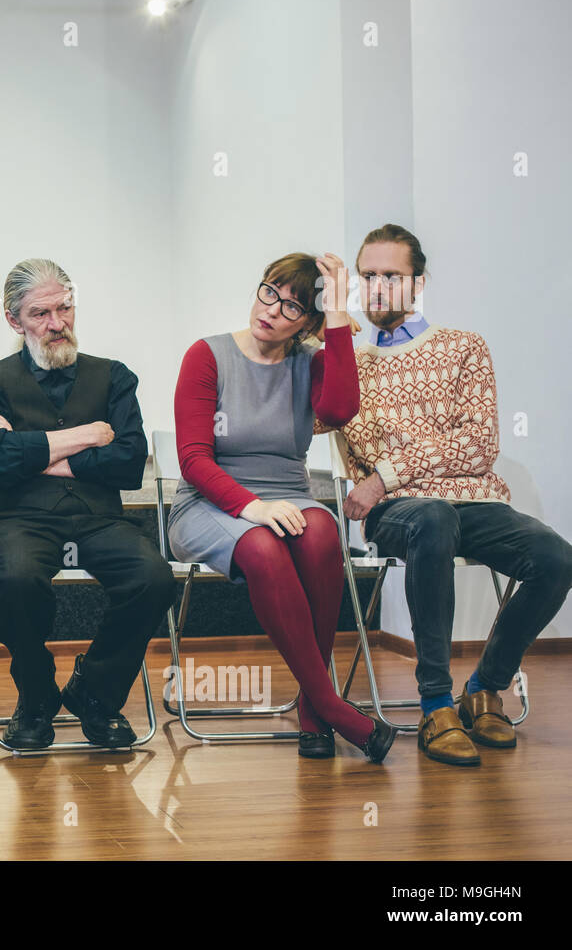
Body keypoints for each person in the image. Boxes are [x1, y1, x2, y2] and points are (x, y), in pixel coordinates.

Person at [327, 223, 572, 766]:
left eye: (391, 276)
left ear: (418, 283)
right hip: (398, 515)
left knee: (555, 557)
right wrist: (332, 330)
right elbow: (312, 419)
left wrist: (381, 475)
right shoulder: (349, 364)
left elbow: (479, 444)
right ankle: (436, 703)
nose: (378, 288)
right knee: (433, 517)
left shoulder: (464, 347)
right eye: (368, 277)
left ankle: (484, 687)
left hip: (473, 500)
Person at [169, 251, 395, 762]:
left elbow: (339, 410)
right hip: (210, 501)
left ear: (308, 324)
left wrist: (337, 313)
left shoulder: (309, 363)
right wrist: (252, 507)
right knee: (265, 548)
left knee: (320, 534)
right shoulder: (207, 356)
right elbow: (193, 460)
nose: (272, 309)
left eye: (294, 307)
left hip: (287, 496)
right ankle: (332, 708)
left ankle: (314, 708)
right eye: (269, 291)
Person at [0, 258, 177, 750]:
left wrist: (29, 449)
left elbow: (127, 463)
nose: (56, 323)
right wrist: (84, 437)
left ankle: (96, 692)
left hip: (100, 519)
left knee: (153, 579)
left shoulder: (114, 377)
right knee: (16, 580)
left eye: (64, 308)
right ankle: (35, 694)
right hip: (19, 519)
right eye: (40, 314)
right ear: (14, 321)